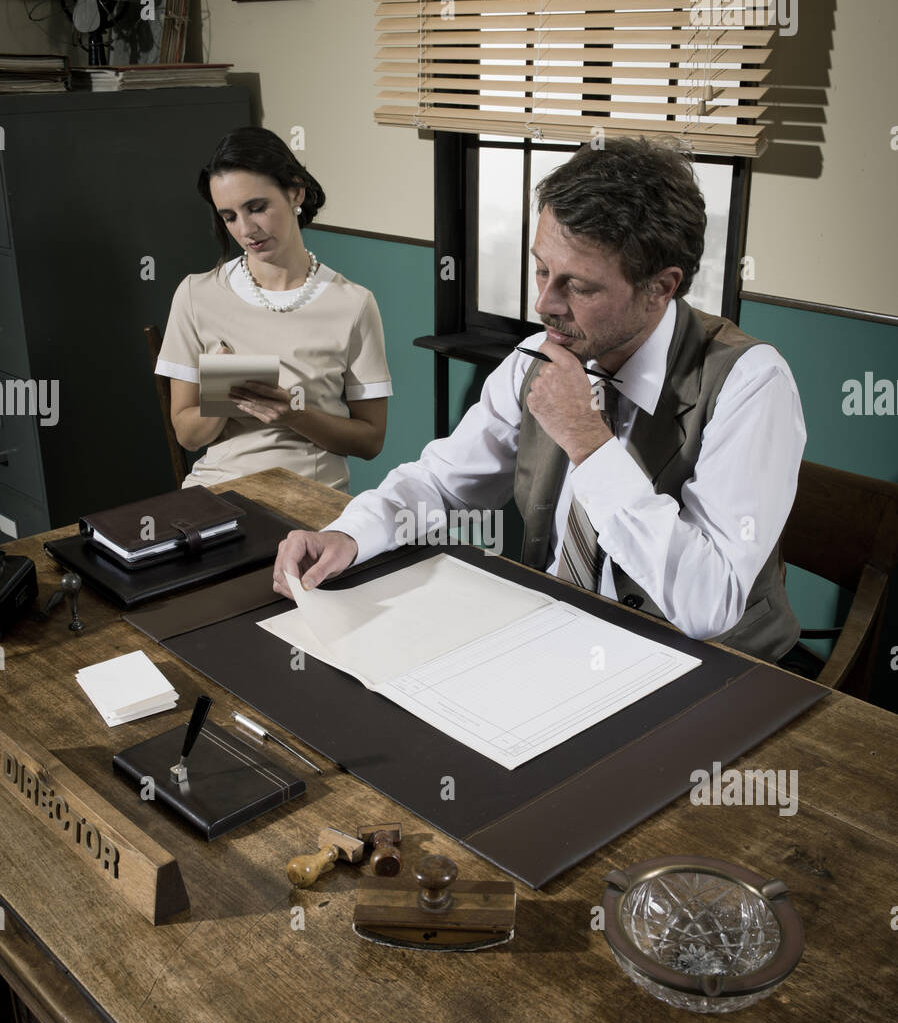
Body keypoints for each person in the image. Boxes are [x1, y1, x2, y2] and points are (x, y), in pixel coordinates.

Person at [273, 136, 807, 666]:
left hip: (712, 671)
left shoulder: (751, 383)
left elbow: (710, 606)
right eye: (541, 269)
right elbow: (441, 482)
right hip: (556, 639)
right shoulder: (538, 357)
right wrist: (349, 533)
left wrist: (589, 443)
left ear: (660, 287)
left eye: (579, 287)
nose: (544, 303)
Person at [155, 127, 391, 491]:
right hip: (218, 492)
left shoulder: (353, 303)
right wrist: (224, 392)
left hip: (312, 499)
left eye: (257, 207)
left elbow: (370, 441)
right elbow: (187, 436)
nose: (246, 229)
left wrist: (293, 414)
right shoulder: (194, 294)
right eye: (229, 216)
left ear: (295, 192)